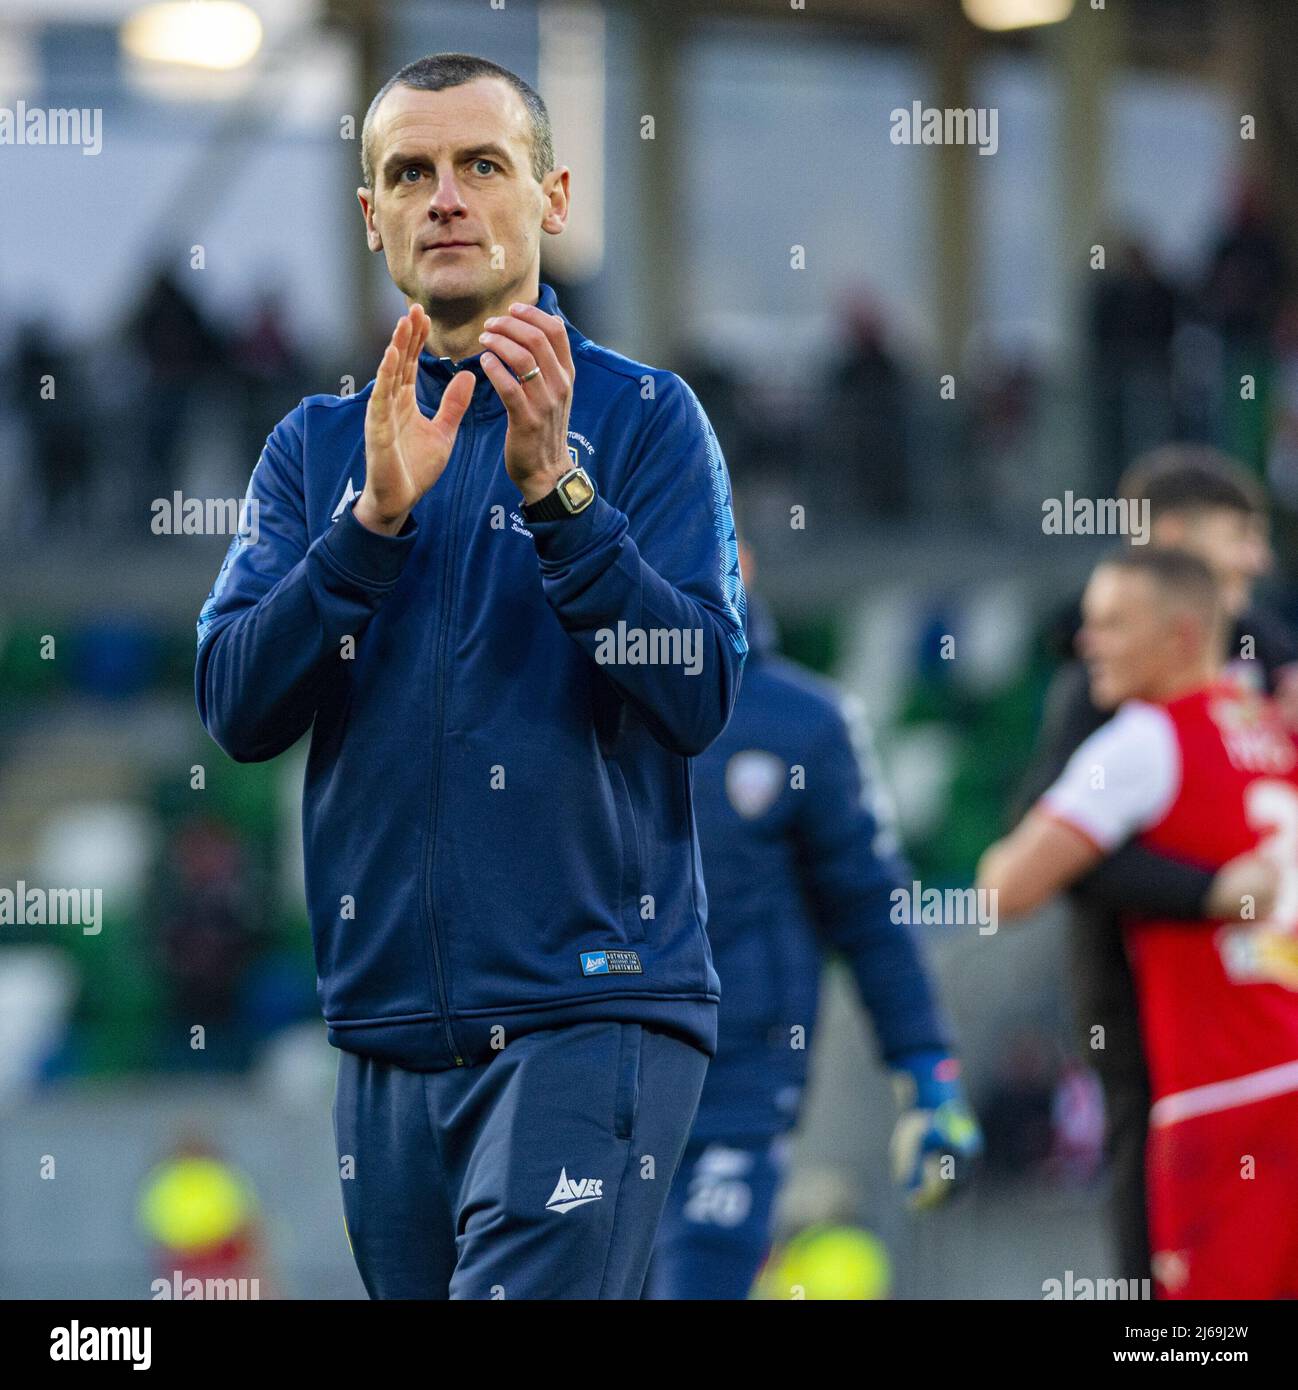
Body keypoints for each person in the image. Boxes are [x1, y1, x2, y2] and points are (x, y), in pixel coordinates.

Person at [195, 52, 747, 1300]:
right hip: (385, 1036)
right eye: (410, 173)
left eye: (480, 165)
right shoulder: (314, 450)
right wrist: (364, 535)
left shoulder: (651, 421)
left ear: (549, 198)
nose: (444, 197)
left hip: (587, 1013)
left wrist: (560, 496)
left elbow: (698, 685)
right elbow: (234, 703)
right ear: (371, 213)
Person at [645, 546, 980, 1300]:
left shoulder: (805, 723)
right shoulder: (564, 704)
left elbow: (871, 910)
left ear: (742, 562)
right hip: (582, 1073)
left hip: (736, 1082)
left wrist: (928, 1071)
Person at [979, 548, 1298, 1298]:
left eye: (1113, 625)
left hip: (1227, 1101)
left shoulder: (1145, 739)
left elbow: (1004, 888)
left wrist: (1192, 890)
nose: (1090, 643)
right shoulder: (1276, 732)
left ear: (1181, 636)